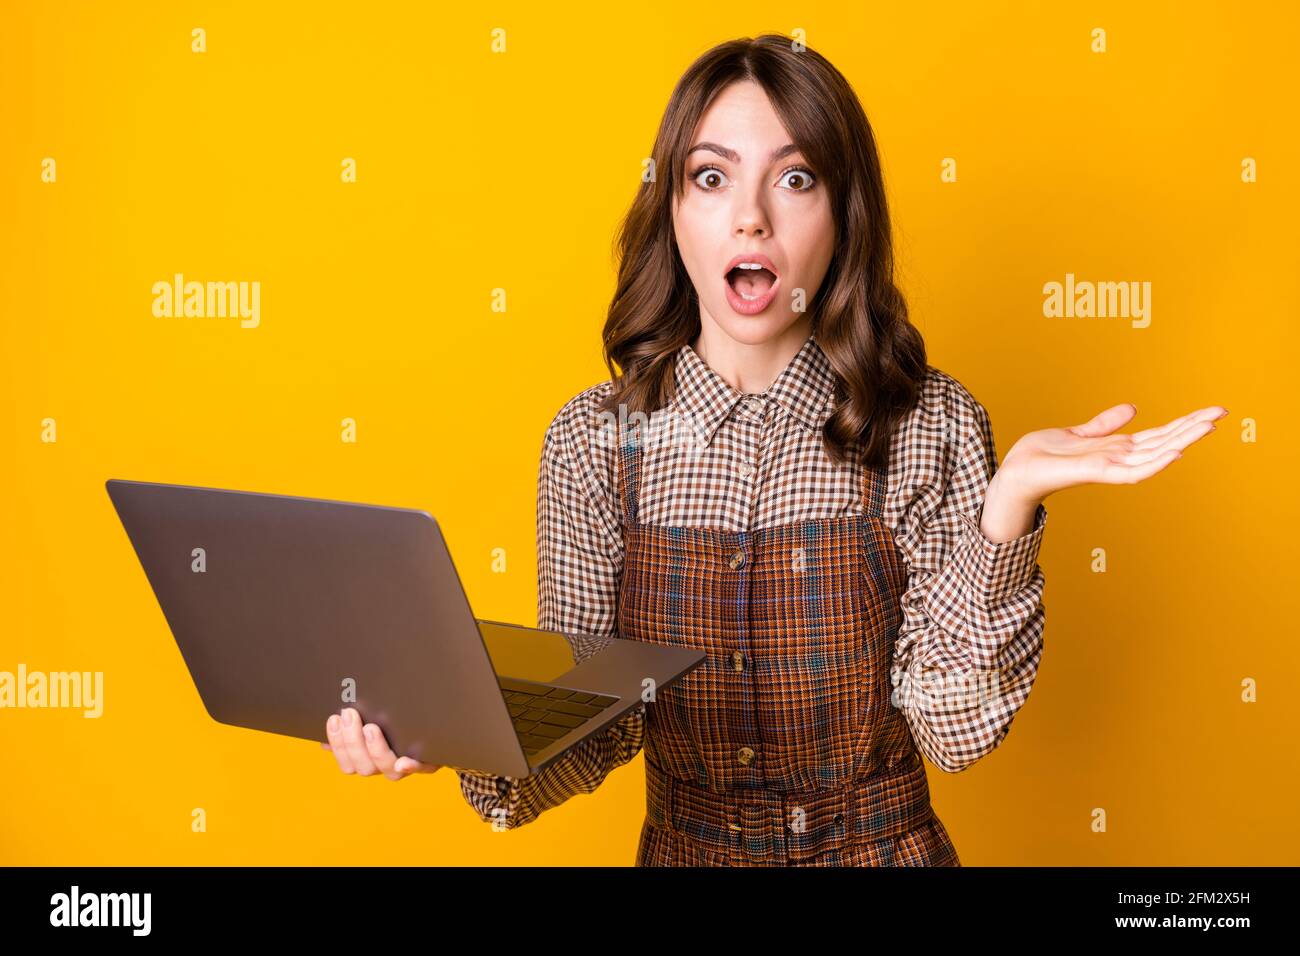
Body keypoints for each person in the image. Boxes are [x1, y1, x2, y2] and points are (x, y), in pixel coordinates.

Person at [322, 34, 1225, 866]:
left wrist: (1007, 511)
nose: (750, 217)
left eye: (795, 181)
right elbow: (593, 728)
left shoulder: (931, 424)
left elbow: (956, 734)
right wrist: (443, 732)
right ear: (672, 210)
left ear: (844, 215)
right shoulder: (593, 442)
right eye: (711, 178)